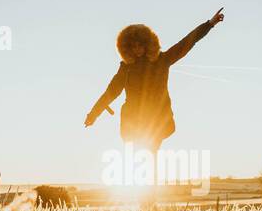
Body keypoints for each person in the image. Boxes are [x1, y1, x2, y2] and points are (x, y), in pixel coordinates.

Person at [84, 8, 224, 153]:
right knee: (135, 155)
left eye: (140, 45)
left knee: (151, 154)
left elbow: (187, 42)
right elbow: (111, 92)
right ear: (127, 48)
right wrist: (93, 114)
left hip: (155, 119)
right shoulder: (126, 68)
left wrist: (210, 24)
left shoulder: (162, 61)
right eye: (133, 46)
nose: (137, 49)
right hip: (133, 121)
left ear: (147, 44)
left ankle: (151, 172)